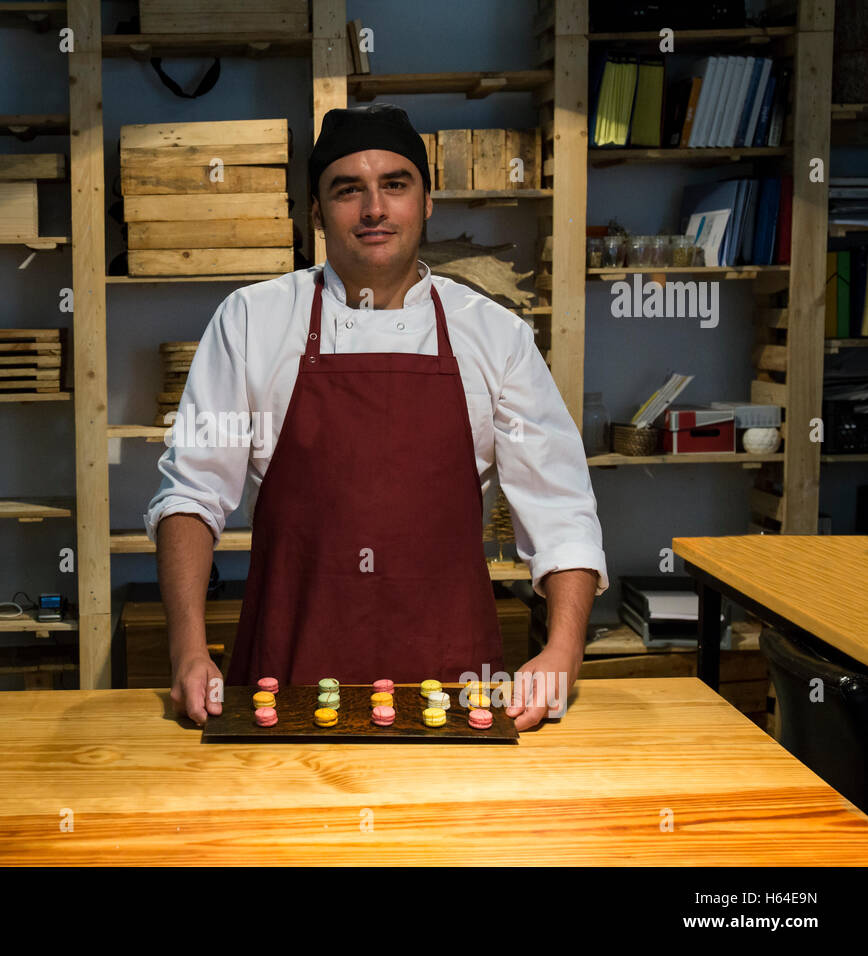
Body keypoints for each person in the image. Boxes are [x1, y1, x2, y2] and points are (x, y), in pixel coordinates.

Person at [144, 103, 607, 731]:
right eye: (347, 190)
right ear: (316, 211)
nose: (374, 209)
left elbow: (561, 510)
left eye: (395, 184)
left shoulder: (494, 334)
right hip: (287, 683)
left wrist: (561, 651)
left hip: (454, 689)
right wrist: (189, 651)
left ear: (426, 201)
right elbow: (191, 495)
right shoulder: (252, 320)